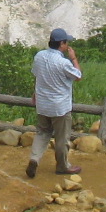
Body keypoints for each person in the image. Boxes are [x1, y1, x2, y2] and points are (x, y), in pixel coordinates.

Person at [27, 27, 83, 178]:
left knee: (42, 133)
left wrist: (35, 92)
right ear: (62, 44)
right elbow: (78, 76)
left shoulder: (39, 56)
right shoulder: (63, 62)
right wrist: (73, 58)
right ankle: (62, 166)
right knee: (61, 137)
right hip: (60, 107)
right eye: (66, 43)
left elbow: (38, 76)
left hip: (42, 103)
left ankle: (34, 158)